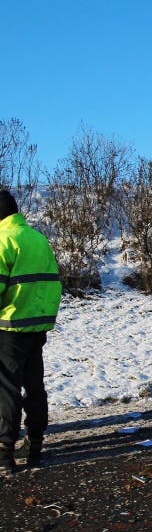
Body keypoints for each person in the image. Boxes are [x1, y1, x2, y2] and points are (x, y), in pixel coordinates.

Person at [0, 190, 62, 475]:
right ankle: (34, 443)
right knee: (34, 385)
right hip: (36, 325)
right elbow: (51, 282)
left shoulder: (3, 240)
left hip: (9, 327)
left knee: (7, 388)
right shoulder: (38, 239)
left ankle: (4, 451)